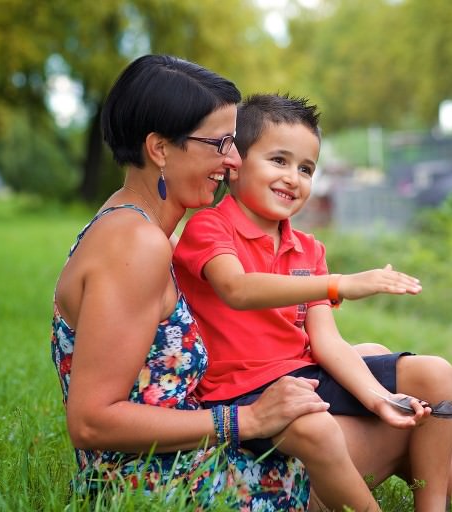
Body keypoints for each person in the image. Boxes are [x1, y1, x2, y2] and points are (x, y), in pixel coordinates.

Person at [49, 55, 334, 511]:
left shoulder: (128, 221)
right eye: (221, 143)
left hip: (177, 464)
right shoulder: (136, 245)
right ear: (160, 149)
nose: (235, 159)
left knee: (367, 399)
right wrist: (248, 419)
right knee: (376, 437)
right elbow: (91, 422)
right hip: (163, 487)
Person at [173, 93, 452, 511]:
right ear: (235, 166)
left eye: (306, 168)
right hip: (241, 393)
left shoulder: (308, 248)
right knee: (319, 429)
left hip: (305, 374)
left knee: (435, 374)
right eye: (278, 161)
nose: (293, 178)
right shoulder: (210, 228)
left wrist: (377, 398)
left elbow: (327, 343)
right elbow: (237, 289)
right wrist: (335, 284)